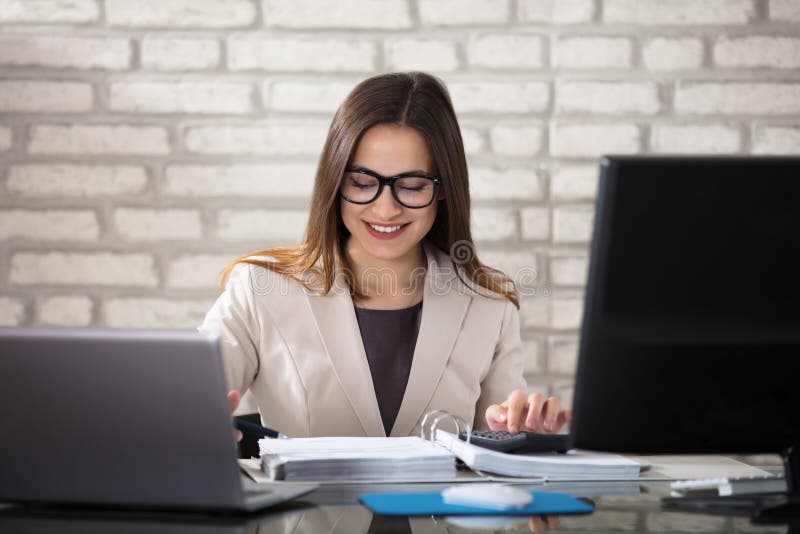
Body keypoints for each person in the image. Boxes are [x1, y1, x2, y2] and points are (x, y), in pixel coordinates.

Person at [199, 71, 570, 439]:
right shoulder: (261, 287)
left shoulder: (489, 303)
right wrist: (196, 427)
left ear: (443, 188)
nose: (385, 209)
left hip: (438, 501)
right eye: (363, 183)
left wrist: (525, 433)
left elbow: (502, 443)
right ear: (335, 181)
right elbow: (187, 398)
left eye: (411, 186)